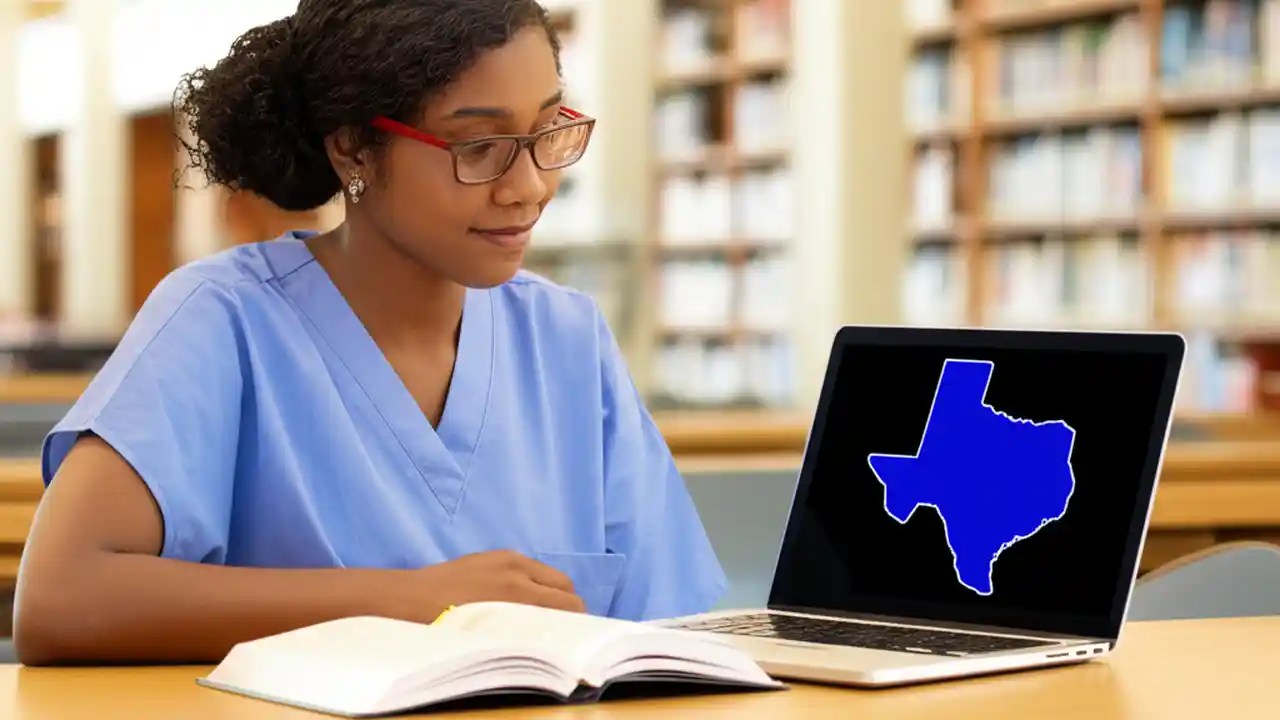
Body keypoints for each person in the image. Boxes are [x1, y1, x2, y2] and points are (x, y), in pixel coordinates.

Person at [13, 0, 726, 665]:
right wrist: (414, 602)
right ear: (354, 148)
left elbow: (666, 637)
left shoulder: (568, 340)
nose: (529, 186)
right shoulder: (223, 320)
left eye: (545, 132)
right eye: (479, 146)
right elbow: (60, 599)